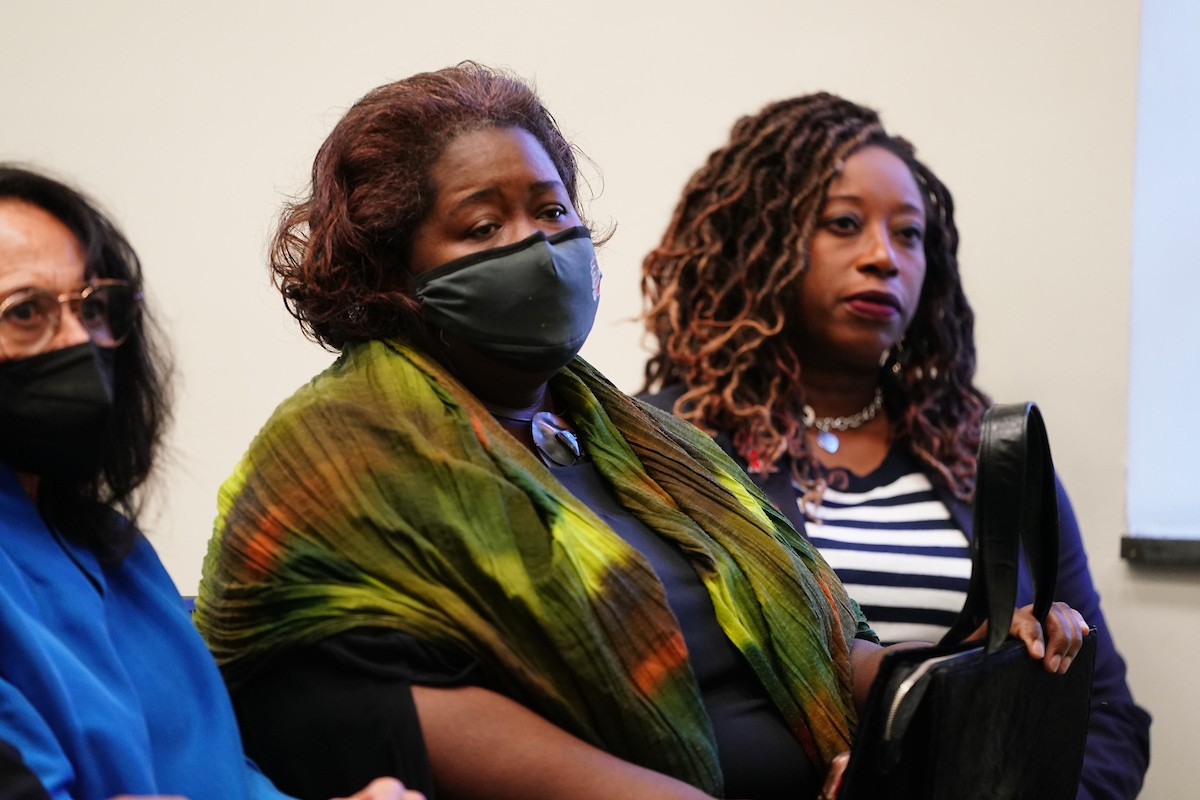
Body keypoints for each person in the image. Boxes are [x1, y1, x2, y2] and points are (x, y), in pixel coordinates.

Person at [195, 64, 1088, 800]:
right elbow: (351, 709)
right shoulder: (339, 451)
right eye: (482, 224)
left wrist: (968, 675)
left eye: (551, 212)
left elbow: (821, 647)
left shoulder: (648, 444)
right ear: (393, 270)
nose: (536, 246)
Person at [639, 92, 1151, 799]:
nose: (882, 256)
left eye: (908, 235)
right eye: (844, 224)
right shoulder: (668, 445)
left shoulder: (989, 452)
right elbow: (651, 693)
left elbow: (1107, 712)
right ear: (757, 242)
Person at [0, 165, 423, 800]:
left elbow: (219, 778)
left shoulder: (112, 550)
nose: (78, 340)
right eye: (25, 311)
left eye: (95, 308)